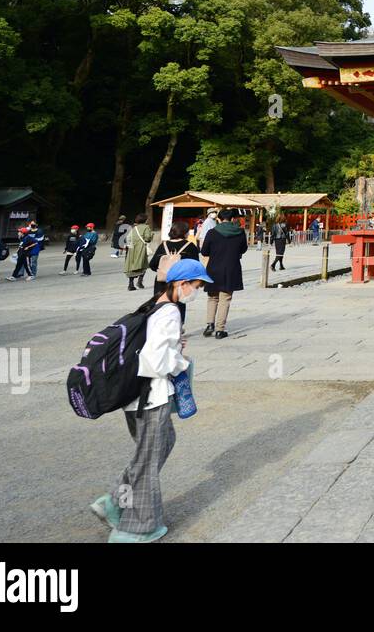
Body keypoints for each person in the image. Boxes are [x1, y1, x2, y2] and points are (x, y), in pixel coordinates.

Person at [91, 258, 209, 543]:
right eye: (197, 285)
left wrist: (174, 346)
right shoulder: (170, 313)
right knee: (147, 459)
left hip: (136, 397)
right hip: (151, 397)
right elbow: (155, 361)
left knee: (162, 444)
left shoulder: (154, 304)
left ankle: (115, 502)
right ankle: (136, 527)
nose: (198, 291)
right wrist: (180, 360)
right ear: (182, 284)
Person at [200, 208, 247, 339]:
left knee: (212, 297)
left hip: (214, 268)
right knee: (225, 299)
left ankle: (210, 324)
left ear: (219, 219)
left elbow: (204, 252)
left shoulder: (212, 232)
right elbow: (243, 249)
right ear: (233, 219)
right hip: (231, 268)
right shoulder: (240, 232)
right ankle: (220, 330)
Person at [148, 221, 201, 297]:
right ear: (185, 233)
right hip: (180, 283)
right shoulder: (190, 246)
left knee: (162, 306)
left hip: (162, 283)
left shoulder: (163, 245)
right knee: (178, 307)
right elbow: (195, 266)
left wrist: (164, 269)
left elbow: (152, 264)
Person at [124, 214, 154, 291]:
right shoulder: (146, 227)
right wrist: (152, 235)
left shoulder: (134, 228)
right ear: (145, 220)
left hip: (132, 249)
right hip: (141, 249)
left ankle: (130, 284)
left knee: (131, 265)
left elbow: (128, 238)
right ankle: (139, 282)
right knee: (143, 265)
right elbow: (147, 238)